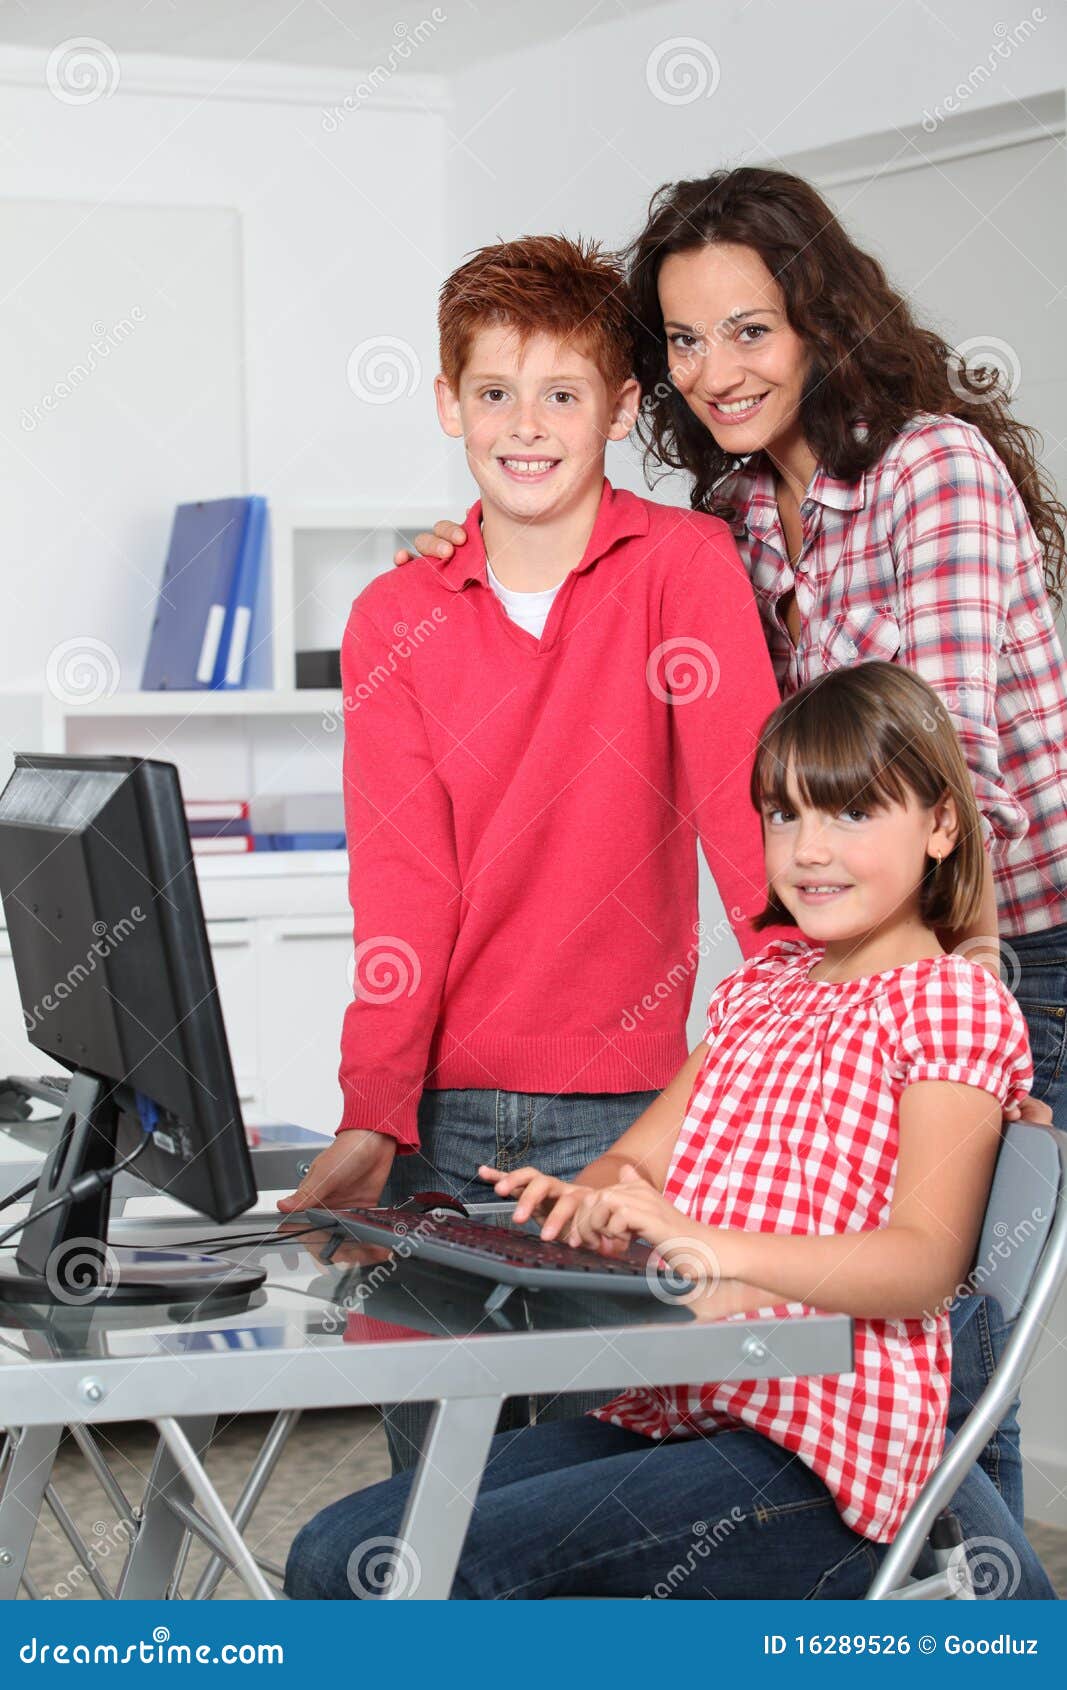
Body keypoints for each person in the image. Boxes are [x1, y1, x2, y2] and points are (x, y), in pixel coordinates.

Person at [393, 167, 1067, 1526]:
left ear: (822, 320)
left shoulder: (931, 469)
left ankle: (973, 1604)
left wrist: (955, 1008)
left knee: (949, 1340)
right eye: (685, 340)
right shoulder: (745, 515)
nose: (714, 370)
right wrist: (495, 543)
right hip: (867, 961)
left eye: (749, 330)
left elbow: (947, 773)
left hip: (1005, 943)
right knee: (877, 1328)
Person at [285, 663, 1056, 1600]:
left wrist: (708, 1248)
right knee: (336, 1549)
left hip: (823, 1459)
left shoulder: (949, 1003)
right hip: (683, 1411)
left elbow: (922, 1263)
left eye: (852, 812)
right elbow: (632, 1160)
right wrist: (590, 1196)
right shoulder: (760, 992)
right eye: (783, 815)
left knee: (414, 1575)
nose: (809, 849)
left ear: (940, 826)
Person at [279, 233, 792, 1472]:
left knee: (574, 1493)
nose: (524, 426)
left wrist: (807, 1040)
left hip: (621, 1115)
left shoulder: (680, 567)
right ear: (446, 401)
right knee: (430, 1487)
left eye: (561, 394)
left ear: (617, 409)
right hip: (434, 1120)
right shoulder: (394, 616)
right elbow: (401, 891)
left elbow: (750, 826)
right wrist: (370, 1110)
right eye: (494, 392)